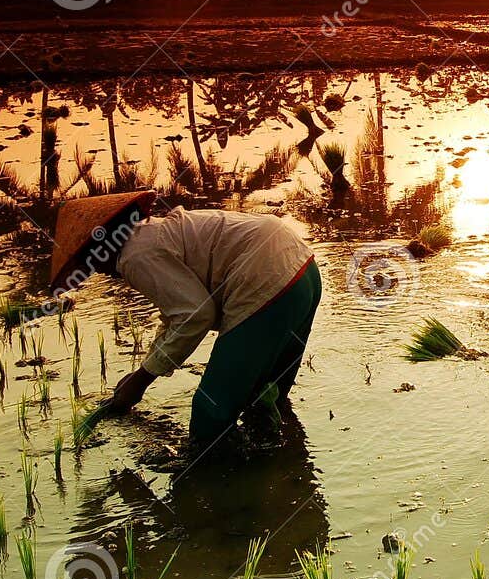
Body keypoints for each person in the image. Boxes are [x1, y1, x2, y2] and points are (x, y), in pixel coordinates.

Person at [47, 191, 321, 449]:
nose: (99, 272)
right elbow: (175, 314)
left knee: (210, 414)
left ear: (99, 249)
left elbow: (196, 315)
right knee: (264, 396)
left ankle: (221, 487)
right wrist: (143, 369)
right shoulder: (154, 232)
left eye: (91, 263)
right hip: (302, 267)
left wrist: (141, 380)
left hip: (268, 279)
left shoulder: (133, 256)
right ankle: (282, 468)